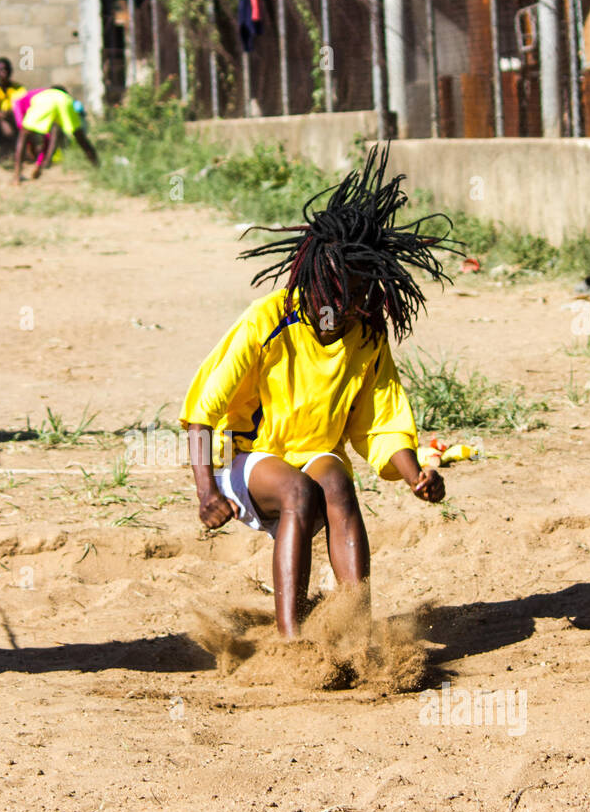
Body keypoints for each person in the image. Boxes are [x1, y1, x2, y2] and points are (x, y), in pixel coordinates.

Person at [180, 146, 454, 642]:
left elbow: (381, 421)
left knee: (337, 485)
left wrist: (417, 477)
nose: (345, 307)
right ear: (312, 278)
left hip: (316, 453)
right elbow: (202, 412)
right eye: (336, 294)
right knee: (298, 492)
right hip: (250, 460)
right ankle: (292, 641)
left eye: (358, 295)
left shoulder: (367, 337)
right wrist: (206, 493)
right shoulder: (266, 319)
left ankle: (357, 630)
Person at [13, 85, 97, 184]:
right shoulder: (61, 96)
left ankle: (17, 176)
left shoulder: (26, 98)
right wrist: (39, 165)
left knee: (23, 135)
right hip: (66, 101)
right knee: (80, 137)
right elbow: (49, 139)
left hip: (45, 101)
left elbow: (21, 123)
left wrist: (23, 129)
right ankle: (97, 167)